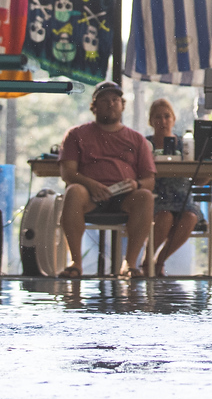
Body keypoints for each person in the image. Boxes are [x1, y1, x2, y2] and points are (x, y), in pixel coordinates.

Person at [58, 81, 157, 277]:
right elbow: (67, 172)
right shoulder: (76, 134)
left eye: (115, 100)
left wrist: (135, 184)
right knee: (73, 191)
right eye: (104, 101)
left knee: (145, 196)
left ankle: (130, 264)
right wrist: (90, 184)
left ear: (122, 105)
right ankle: (75, 263)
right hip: (89, 196)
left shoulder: (137, 139)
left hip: (125, 198)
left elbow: (149, 179)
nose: (110, 104)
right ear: (94, 106)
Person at [146, 97, 208, 277]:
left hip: (183, 199)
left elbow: (199, 180)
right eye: (158, 117)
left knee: (190, 217)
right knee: (164, 217)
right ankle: (146, 261)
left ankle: (159, 261)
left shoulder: (186, 144)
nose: (163, 121)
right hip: (156, 198)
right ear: (151, 121)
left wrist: (208, 167)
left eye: (167, 116)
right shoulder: (145, 144)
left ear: (173, 119)